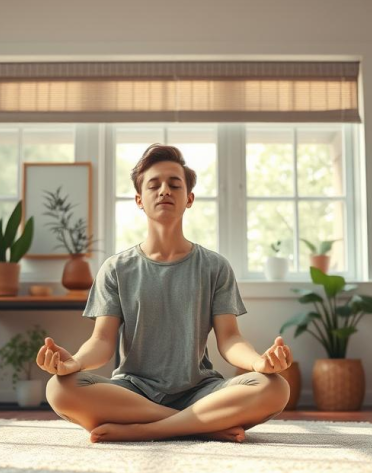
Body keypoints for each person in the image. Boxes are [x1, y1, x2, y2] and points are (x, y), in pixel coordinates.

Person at [38, 144, 292, 443]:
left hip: (201, 391)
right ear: (139, 200)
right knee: (59, 388)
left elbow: (230, 339)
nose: (164, 191)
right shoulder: (116, 268)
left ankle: (149, 429)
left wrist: (259, 363)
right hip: (133, 391)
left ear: (189, 199)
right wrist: (75, 363)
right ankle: (201, 427)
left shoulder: (214, 266)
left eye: (174, 185)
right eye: (153, 185)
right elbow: (102, 341)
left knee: (275, 387)